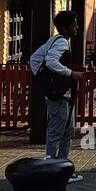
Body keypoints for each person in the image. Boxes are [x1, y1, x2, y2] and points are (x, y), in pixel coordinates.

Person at [30, 11, 79, 161]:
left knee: (67, 131)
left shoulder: (54, 40)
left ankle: (62, 166)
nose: (77, 27)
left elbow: (34, 59)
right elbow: (51, 61)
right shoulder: (62, 42)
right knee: (57, 132)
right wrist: (70, 73)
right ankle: (51, 166)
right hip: (59, 95)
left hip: (61, 93)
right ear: (65, 28)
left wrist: (43, 78)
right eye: (74, 25)